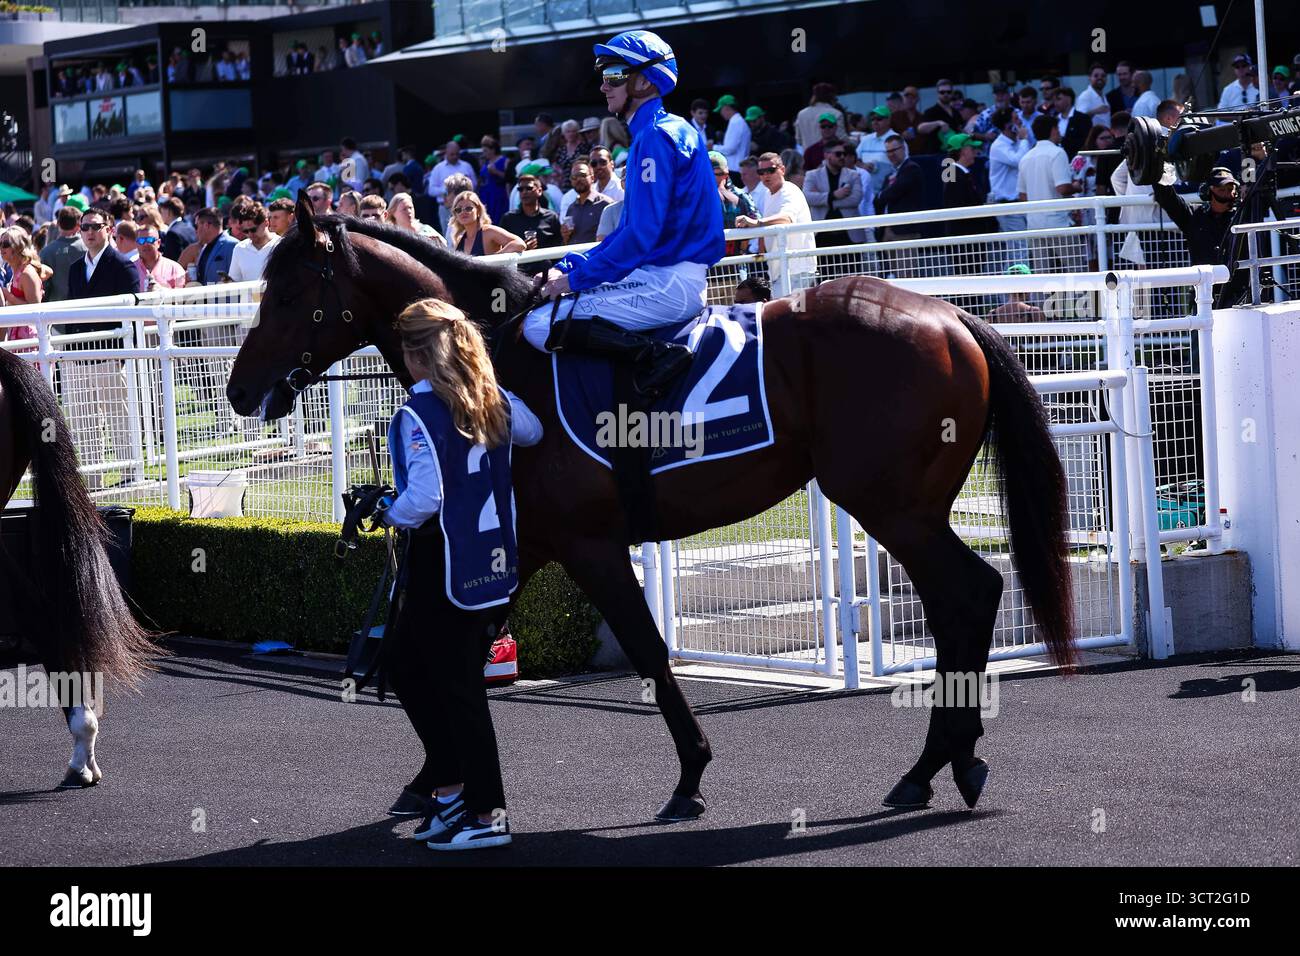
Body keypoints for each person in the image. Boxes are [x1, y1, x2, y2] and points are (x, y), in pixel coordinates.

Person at [374, 297, 542, 851]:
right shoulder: (493, 402)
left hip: (441, 562)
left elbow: (424, 498)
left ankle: (487, 813)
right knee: (408, 664)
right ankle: (451, 794)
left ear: (416, 356)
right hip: (491, 564)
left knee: (457, 688)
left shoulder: (417, 412)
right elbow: (535, 432)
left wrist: (384, 511)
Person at [522, 30, 725, 399]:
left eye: (613, 74)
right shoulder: (665, 129)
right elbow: (628, 233)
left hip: (668, 282)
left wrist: (572, 280)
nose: (603, 86)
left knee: (538, 325)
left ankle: (656, 356)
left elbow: (639, 237)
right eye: (603, 75)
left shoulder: (654, 137)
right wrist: (570, 265)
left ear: (645, 80)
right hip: (668, 275)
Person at [64, 208, 142, 490]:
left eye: (95, 226)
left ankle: (130, 473)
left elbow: (133, 311)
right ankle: (93, 479)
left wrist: (122, 354)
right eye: (84, 227)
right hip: (80, 355)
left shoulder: (122, 264)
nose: (89, 232)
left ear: (109, 228)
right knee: (83, 420)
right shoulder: (75, 269)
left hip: (111, 355)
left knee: (118, 416)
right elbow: (71, 314)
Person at [1154, 166, 1257, 308]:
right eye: (1222, 189)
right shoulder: (1194, 215)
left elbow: (1257, 191)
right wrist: (1158, 172)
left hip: (1238, 298)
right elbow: (1168, 199)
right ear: (1208, 192)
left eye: (1230, 189)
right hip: (1203, 296)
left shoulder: (1243, 216)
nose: (1227, 194)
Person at [735, 151, 815, 291]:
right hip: (779, 269)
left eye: (770, 170)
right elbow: (769, 224)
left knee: (797, 311)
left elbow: (786, 218)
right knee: (786, 312)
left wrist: (757, 223)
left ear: (782, 170)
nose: (766, 175)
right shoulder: (768, 193)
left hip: (797, 270)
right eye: (761, 172)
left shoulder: (789, 191)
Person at [1016, 114, 1082, 274]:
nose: (1060, 133)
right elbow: (1063, 188)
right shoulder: (1057, 152)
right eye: (1058, 129)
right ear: (1053, 130)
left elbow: (1022, 196)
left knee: (1042, 275)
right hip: (1059, 224)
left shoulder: (1026, 157)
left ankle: (1044, 300)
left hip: (1035, 225)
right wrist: (1077, 186)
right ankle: (1083, 300)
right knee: (1077, 272)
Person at [500, 174, 562, 276]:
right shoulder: (509, 218)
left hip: (546, 275)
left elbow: (558, 248)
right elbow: (501, 248)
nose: (524, 192)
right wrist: (521, 247)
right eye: (520, 189)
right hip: (518, 276)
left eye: (529, 188)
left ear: (539, 191)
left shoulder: (551, 217)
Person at [448, 191, 525, 257]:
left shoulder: (488, 232)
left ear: (478, 211)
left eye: (468, 208)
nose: (463, 212)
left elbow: (519, 243)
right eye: (458, 210)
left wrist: (494, 259)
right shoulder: (459, 239)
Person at [710, 151, 757, 257]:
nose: (709, 177)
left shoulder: (742, 197)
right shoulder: (696, 197)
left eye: (715, 174)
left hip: (736, 262)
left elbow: (756, 224)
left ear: (726, 174)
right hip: (706, 264)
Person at [38, 205, 86, 303]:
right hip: (83, 307)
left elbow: (44, 286)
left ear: (58, 224)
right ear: (78, 225)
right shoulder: (88, 249)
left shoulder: (46, 252)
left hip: (56, 309)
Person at [558, 159, 612, 245]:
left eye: (582, 175)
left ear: (593, 178)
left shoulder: (606, 205)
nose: (578, 179)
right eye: (574, 177)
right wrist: (565, 236)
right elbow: (567, 242)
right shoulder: (571, 208)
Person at [226, 202, 280, 282]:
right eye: (245, 231)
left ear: (266, 223)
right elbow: (234, 281)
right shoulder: (239, 248)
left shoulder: (281, 244)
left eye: (253, 229)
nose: (250, 234)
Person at [134, 222, 186, 290]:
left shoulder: (174, 268)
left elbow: (183, 296)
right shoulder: (131, 269)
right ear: (136, 244)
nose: (145, 244)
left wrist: (162, 291)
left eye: (150, 240)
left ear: (158, 243)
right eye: (141, 240)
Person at [477, 136, 511, 224]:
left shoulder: (504, 161)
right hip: (485, 196)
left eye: (486, 151)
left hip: (498, 195)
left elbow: (508, 179)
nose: (484, 153)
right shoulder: (485, 162)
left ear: (493, 149)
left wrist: (496, 172)